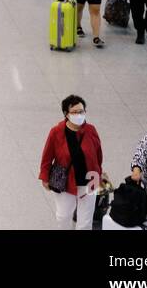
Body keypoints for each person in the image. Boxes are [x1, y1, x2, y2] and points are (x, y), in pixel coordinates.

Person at [38, 95, 103, 230]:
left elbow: (98, 154)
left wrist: (99, 173)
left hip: (90, 180)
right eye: (75, 112)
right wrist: (44, 177)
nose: (79, 115)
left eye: (82, 111)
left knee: (85, 220)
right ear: (66, 114)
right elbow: (47, 157)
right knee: (63, 216)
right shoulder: (56, 132)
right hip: (65, 181)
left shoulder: (91, 130)